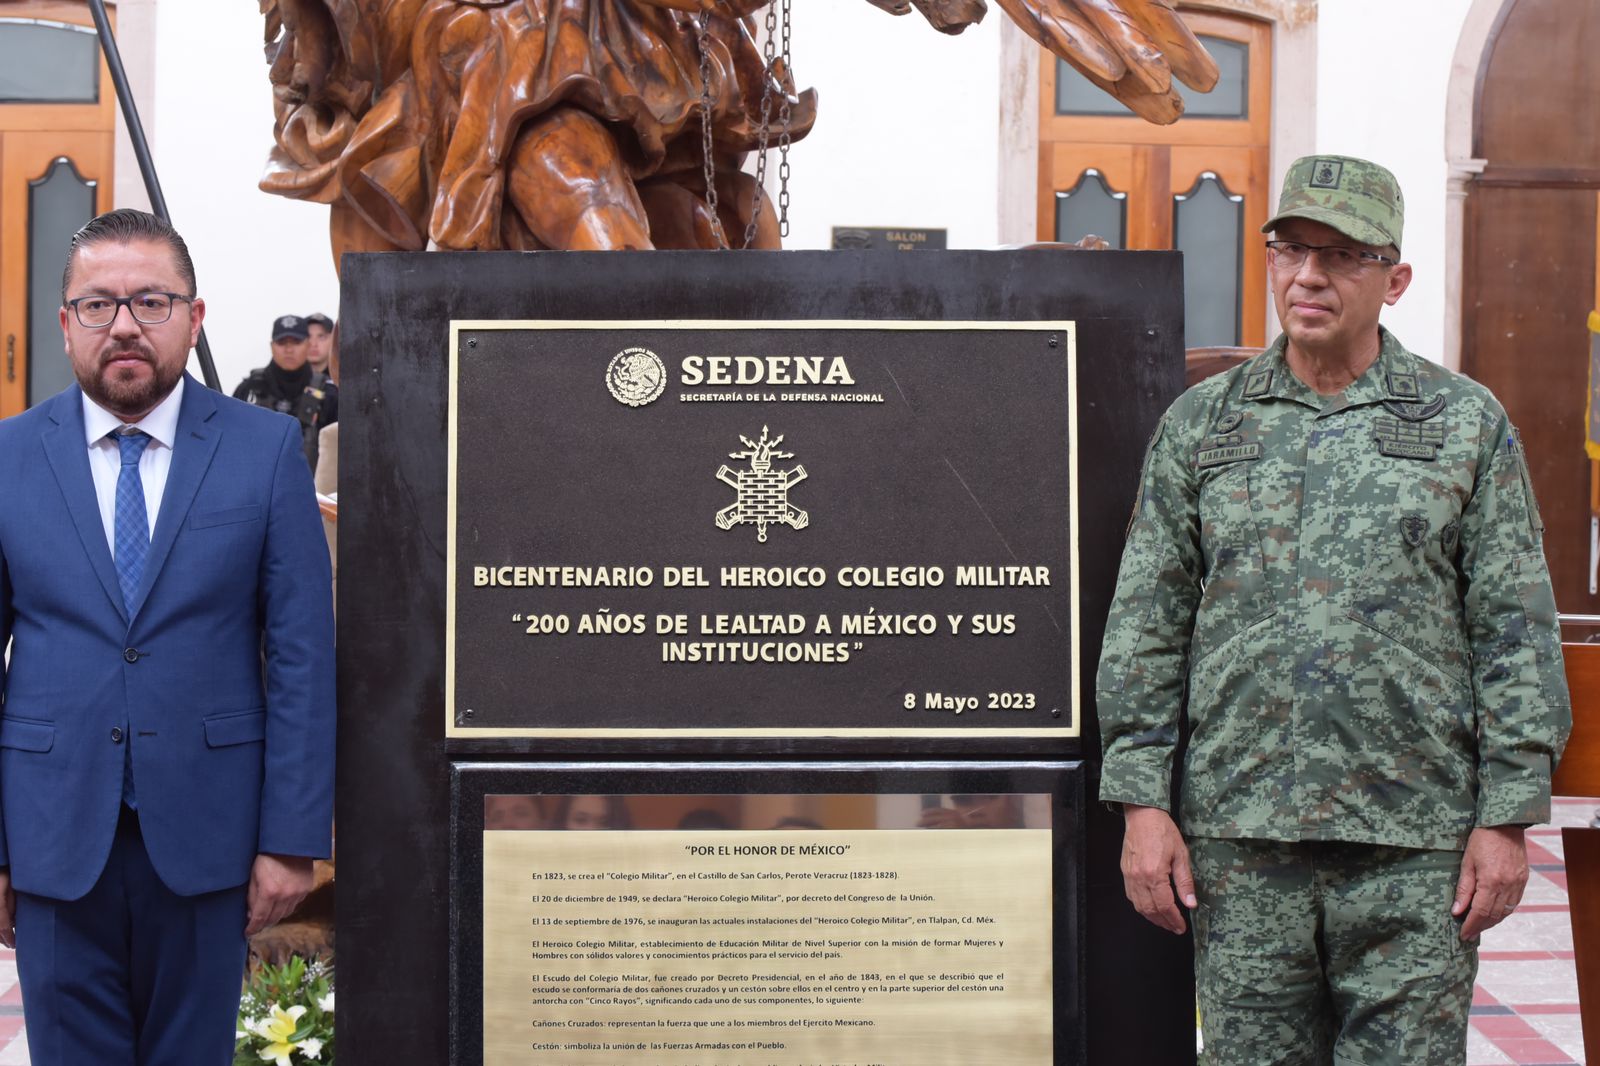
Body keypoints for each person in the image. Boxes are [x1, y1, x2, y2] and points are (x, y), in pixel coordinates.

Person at [1096, 155, 1571, 1064]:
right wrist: (1141, 804)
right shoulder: (1203, 427)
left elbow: (1513, 627)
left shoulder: (1464, 423)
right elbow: (1148, 622)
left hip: (1416, 847)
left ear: (1394, 278)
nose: (1309, 276)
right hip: (1241, 839)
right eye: (1291, 249)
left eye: (1343, 256)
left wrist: (1507, 815)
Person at [0, 208, 336, 1065]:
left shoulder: (264, 452)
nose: (123, 325)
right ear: (65, 320)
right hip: (50, 836)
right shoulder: (8, 458)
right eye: (97, 304)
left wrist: (292, 841)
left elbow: (302, 656)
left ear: (194, 316)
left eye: (151, 301)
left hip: (209, 836)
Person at [234, 314, 338, 470]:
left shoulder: (328, 394)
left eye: (296, 342)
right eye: (282, 342)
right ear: (272, 346)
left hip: (313, 490)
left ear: (308, 345)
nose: (289, 350)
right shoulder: (248, 390)